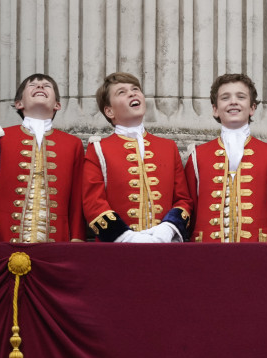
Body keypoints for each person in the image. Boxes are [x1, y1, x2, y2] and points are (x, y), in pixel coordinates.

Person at [82, 72, 191, 242]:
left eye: (135, 89)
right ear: (109, 111)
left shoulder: (168, 147)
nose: (132, 93)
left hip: (165, 246)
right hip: (115, 250)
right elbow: (93, 203)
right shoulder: (98, 149)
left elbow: (183, 199)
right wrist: (126, 237)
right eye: (122, 92)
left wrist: (167, 229)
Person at [0, 73, 85, 243]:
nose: (40, 86)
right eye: (33, 85)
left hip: (58, 241)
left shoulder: (73, 144)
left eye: (47, 86)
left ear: (57, 105)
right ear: (18, 103)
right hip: (7, 238)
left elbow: (77, 197)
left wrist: (77, 237)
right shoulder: (0, 138)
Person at [187, 74, 267, 242]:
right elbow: (192, 207)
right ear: (215, 109)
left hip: (260, 249)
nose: (233, 102)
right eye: (225, 98)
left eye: (241, 97)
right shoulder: (197, 155)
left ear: (252, 108)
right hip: (207, 249)